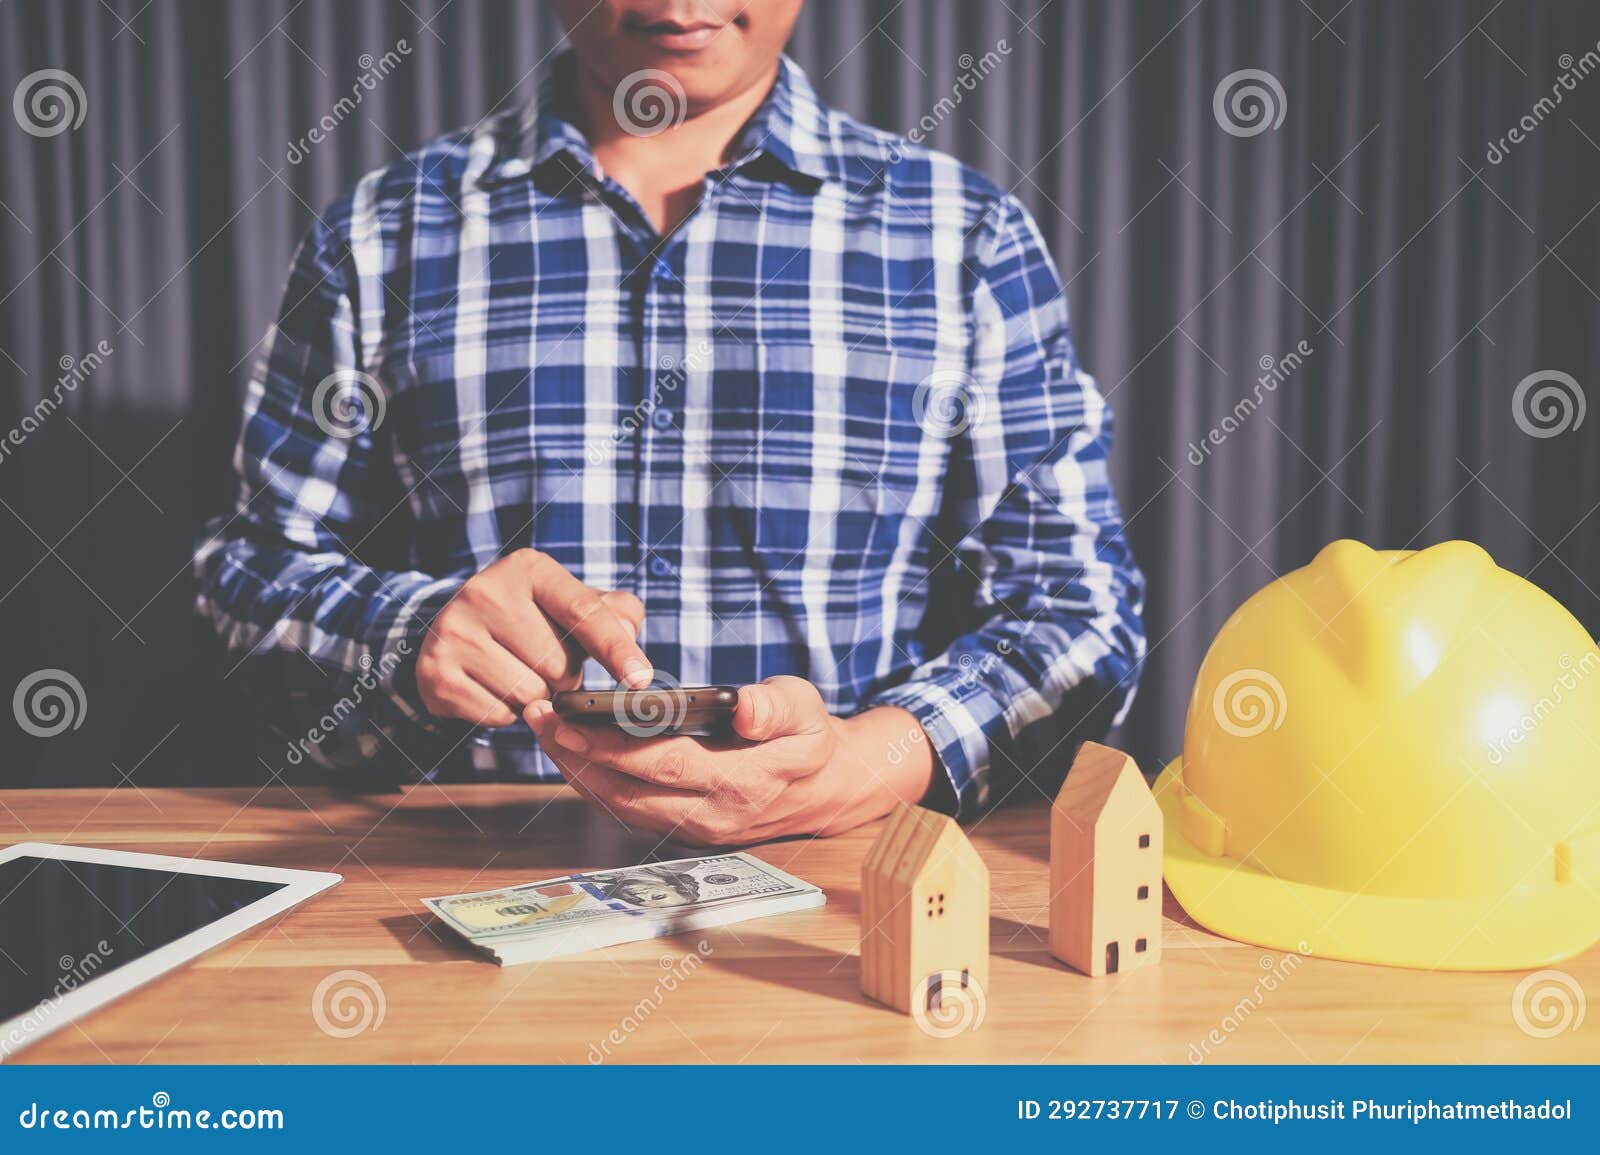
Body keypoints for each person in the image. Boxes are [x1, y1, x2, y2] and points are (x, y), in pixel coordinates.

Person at [195, 0, 1145, 845]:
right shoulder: (383, 233)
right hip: (461, 894)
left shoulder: (961, 236)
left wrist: (871, 760)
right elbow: (246, 574)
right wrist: (409, 635)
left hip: (841, 906)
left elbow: (1080, 614)